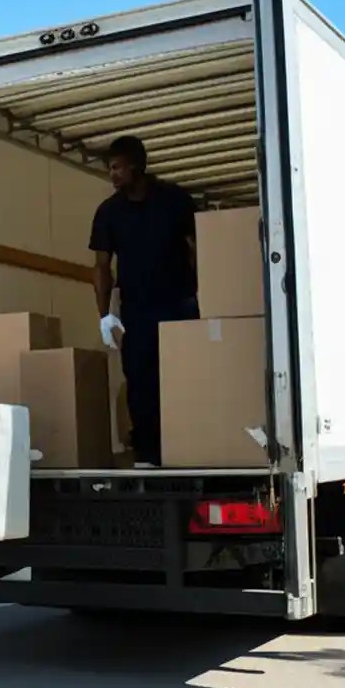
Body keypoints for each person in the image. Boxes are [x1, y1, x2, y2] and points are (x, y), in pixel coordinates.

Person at [89, 135, 200, 467]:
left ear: (137, 165)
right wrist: (104, 315)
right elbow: (101, 266)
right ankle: (149, 455)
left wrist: (206, 298)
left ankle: (194, 444)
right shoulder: (109, 212)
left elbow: (200, 249)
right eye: (111, 168)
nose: (113, 175)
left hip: (179, 303)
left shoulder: (175, 200)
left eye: (117, 167)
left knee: (183, 376)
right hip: (136, 310)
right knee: (140, 380)